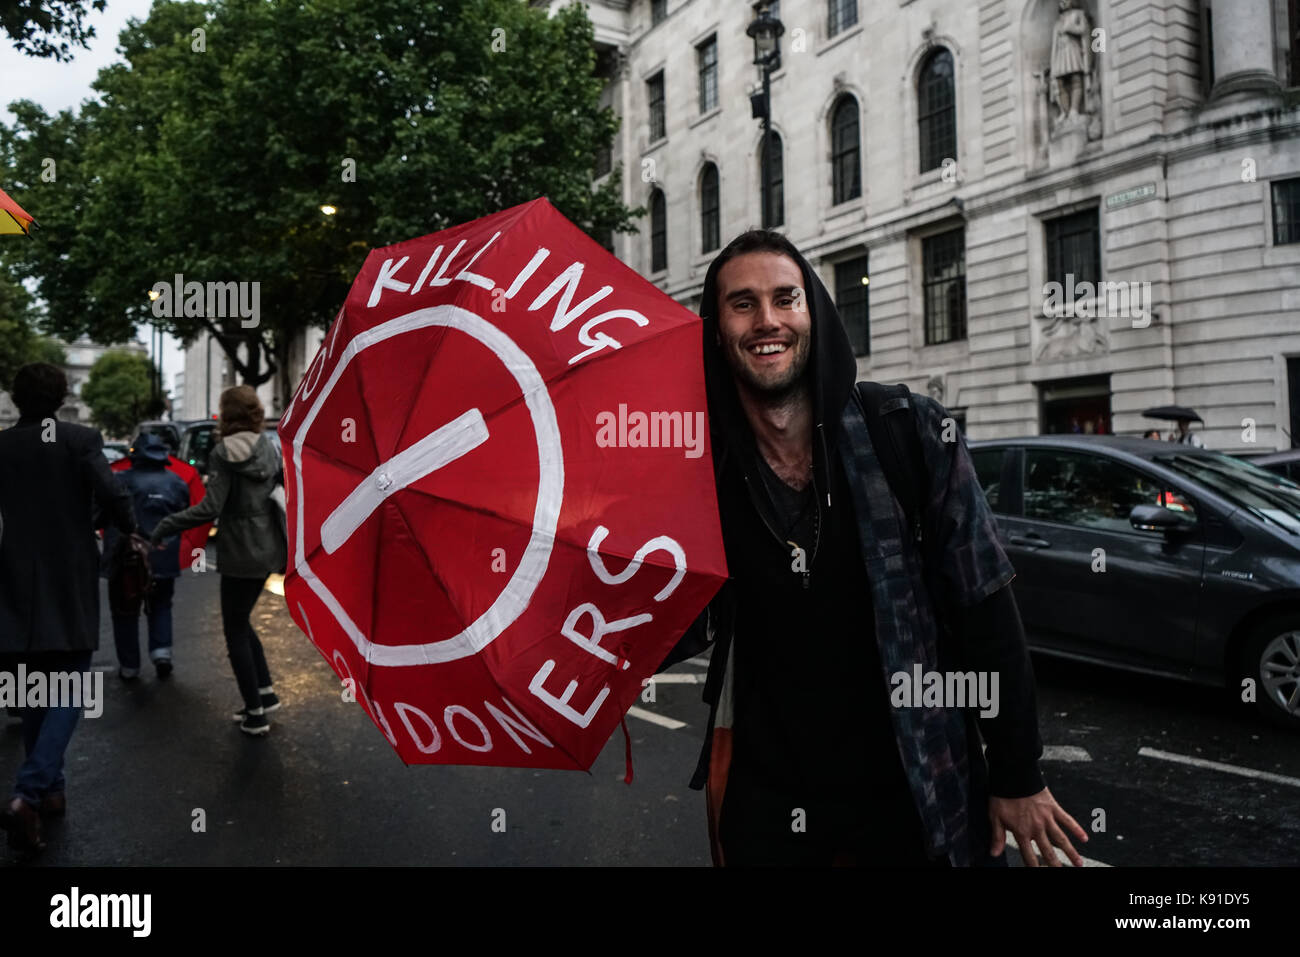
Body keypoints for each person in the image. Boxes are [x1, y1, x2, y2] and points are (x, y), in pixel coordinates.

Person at [658, 230, 1086, 868]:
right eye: (742, 304)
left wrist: (1016, 773)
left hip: (913, 795)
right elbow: (676, 622)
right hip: (770, 810)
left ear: (815, 315)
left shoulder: (909, 432)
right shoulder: (700, 471)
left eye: (785, 299)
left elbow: (985, 611)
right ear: (717, 330)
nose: (767, 320)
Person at [0, 363, 135, 854]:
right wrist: (117, 524)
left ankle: (50, 790)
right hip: (69, 573)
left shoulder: (5, 446)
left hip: (14, 573)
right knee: (71, 681)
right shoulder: (80, 438)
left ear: (17, 399)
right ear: (61, 397)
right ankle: (30, 791)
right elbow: (113, 493)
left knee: (35, 681)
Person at [150, 386, 287, 737]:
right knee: (242, 620)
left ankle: (255, 714)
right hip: (268, 544)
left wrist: (167, 524)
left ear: (227, 413)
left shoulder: (223, 452)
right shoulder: (269, 447)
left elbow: (210, 508)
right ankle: (265, 693)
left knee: (234, 628)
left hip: (240, 549)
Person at [103, 434, 192, 680]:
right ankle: (161, 653)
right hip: (164, 556)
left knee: (125, 611)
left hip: (127, 559)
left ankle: (130, 666)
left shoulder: (120, 481)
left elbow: (103, 514)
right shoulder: (177, 483)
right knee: (162, 605)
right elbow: (184, 517)